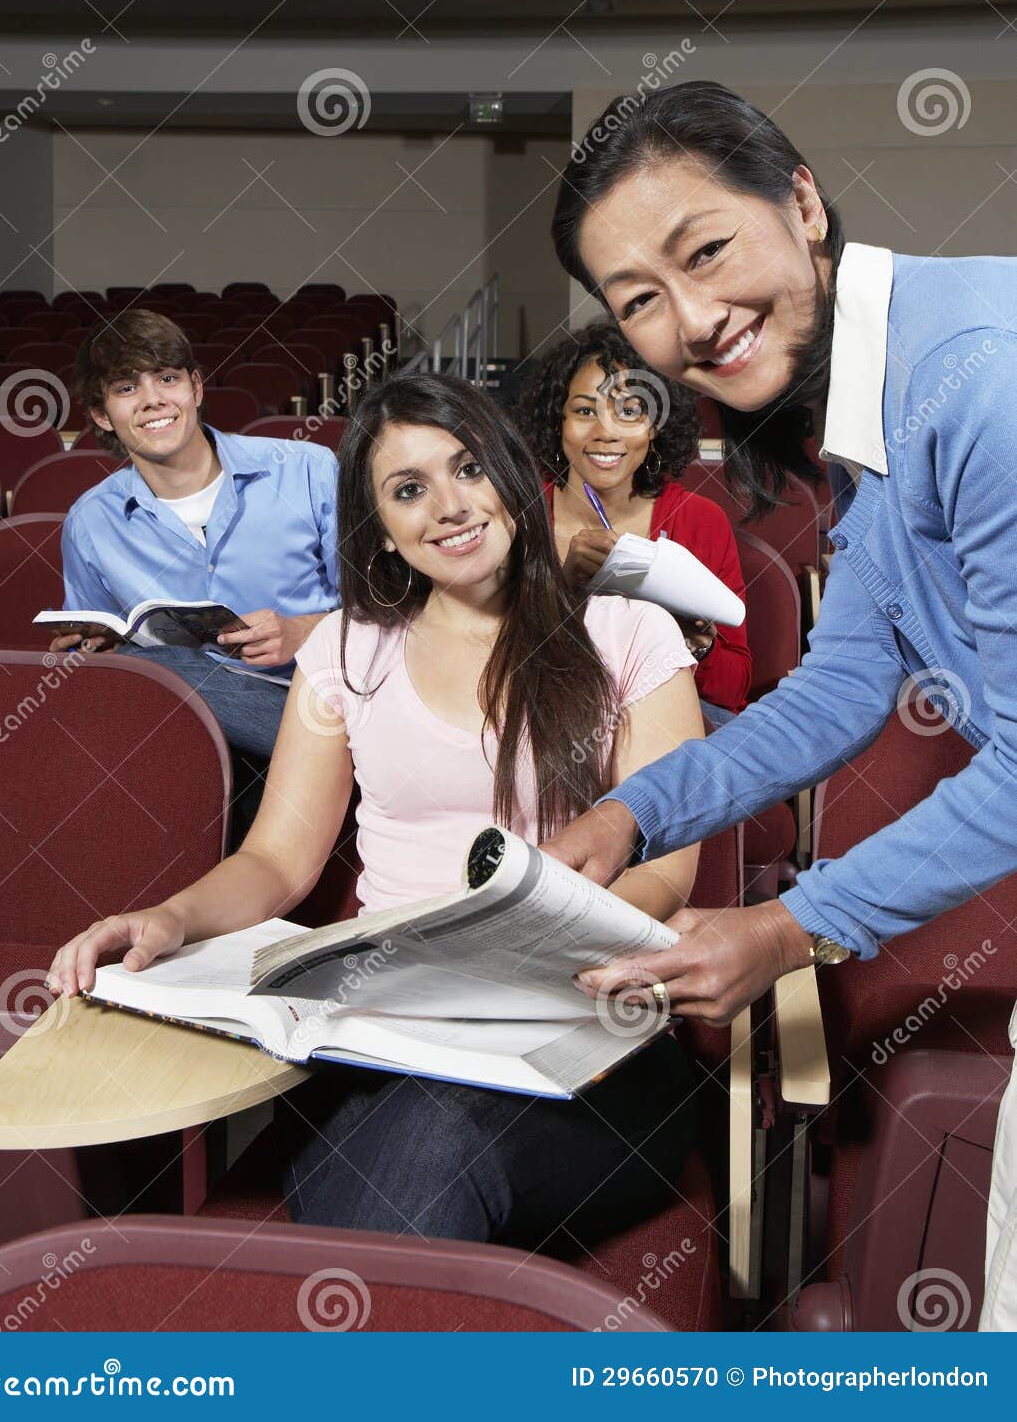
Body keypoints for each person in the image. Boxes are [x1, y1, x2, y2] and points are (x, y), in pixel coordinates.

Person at [542, 78, 1017, 1330]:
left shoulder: (972, 382)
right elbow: (848, 683)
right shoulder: (878, 394)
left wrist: (789, 928)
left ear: (799, 201)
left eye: (707, 250)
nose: (692, 319)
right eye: (640, 299)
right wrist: (637, 814)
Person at [45, 371, 703, 1251]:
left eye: (468, 469)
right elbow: (278, 861)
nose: (449, 507)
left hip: (588, 1036)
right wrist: (169, 917)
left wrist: (518, 955)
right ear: (383, 531)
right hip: (387, 1037)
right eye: (408, 490)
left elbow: (665, 868)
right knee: (411, 1150)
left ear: (512, 479)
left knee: (429, 1153)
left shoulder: (630, 633)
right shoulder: (349, 651)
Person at [51, 310, 339, 770]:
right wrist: (94, 649)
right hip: (180, 737)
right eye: (127, 388)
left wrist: (306, 630)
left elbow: (391, 614)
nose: (152, 400)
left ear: (196, 388)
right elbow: (96, 638)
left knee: (164, 671)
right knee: (137, 687)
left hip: (315, 705)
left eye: (167, 378)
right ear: (102, 415)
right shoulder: (90, 521)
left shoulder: (308, 470)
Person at [519, 319, 751, 725]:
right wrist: (564, 592)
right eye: (585, 410)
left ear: (655, 428)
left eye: (630, 411)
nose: (606, 432)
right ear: (558, 423)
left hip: (669, 723)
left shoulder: (699, 521)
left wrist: (697, 646)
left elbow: (732, 691)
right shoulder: (517, 514)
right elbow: (491, 663)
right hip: (547, 724)